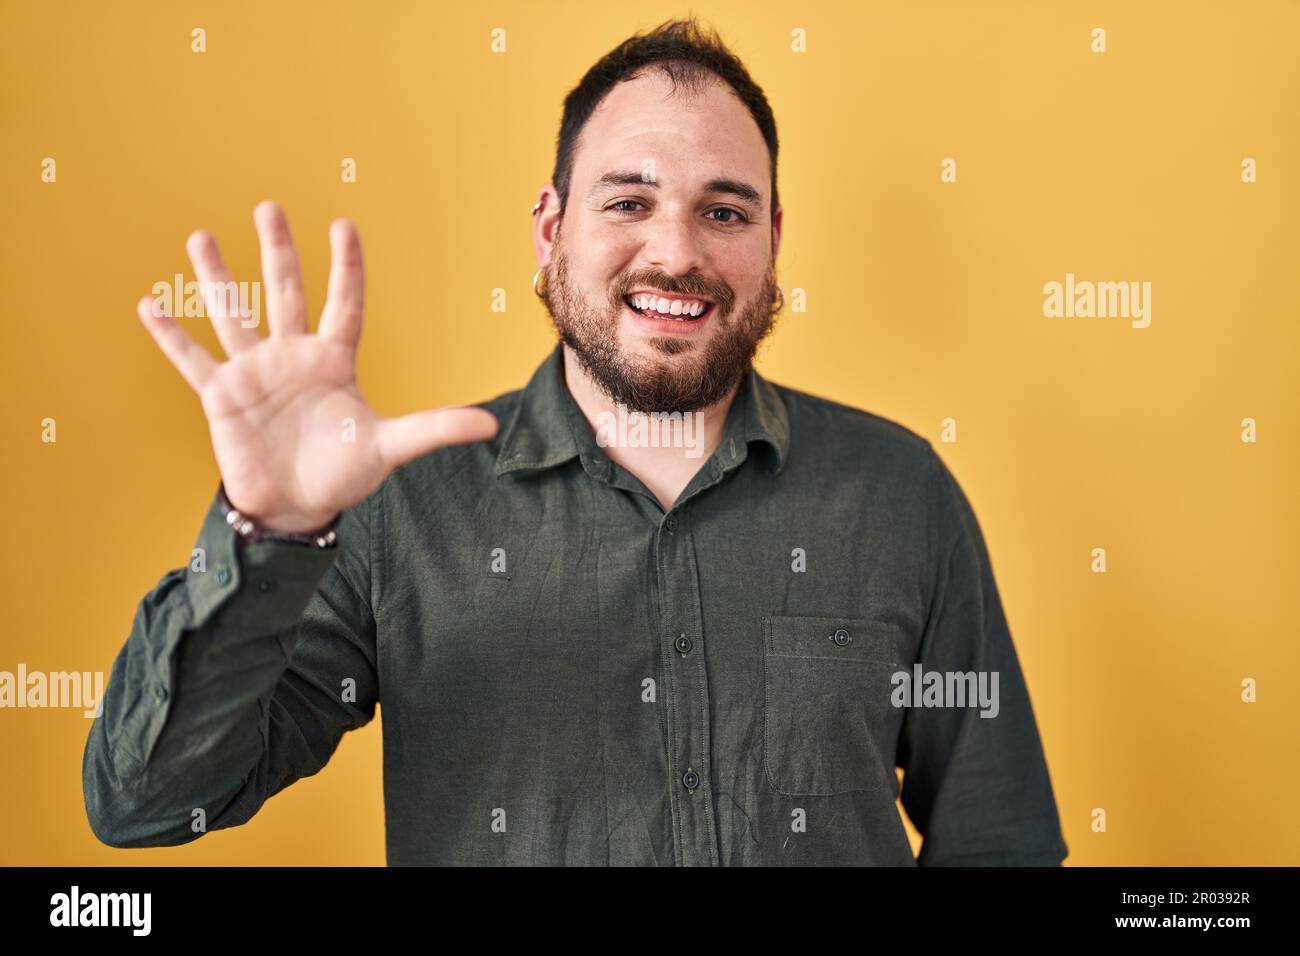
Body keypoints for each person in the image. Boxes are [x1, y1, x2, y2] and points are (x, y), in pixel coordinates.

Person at [83, 17, 1068, 866]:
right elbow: (148, 802)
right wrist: (269, 532)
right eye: (627, 201)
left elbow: (997, 837)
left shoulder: (899, 491)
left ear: (774, 238)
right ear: (550, 229)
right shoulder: (402, 508)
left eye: (723, 211)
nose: (676, 252)